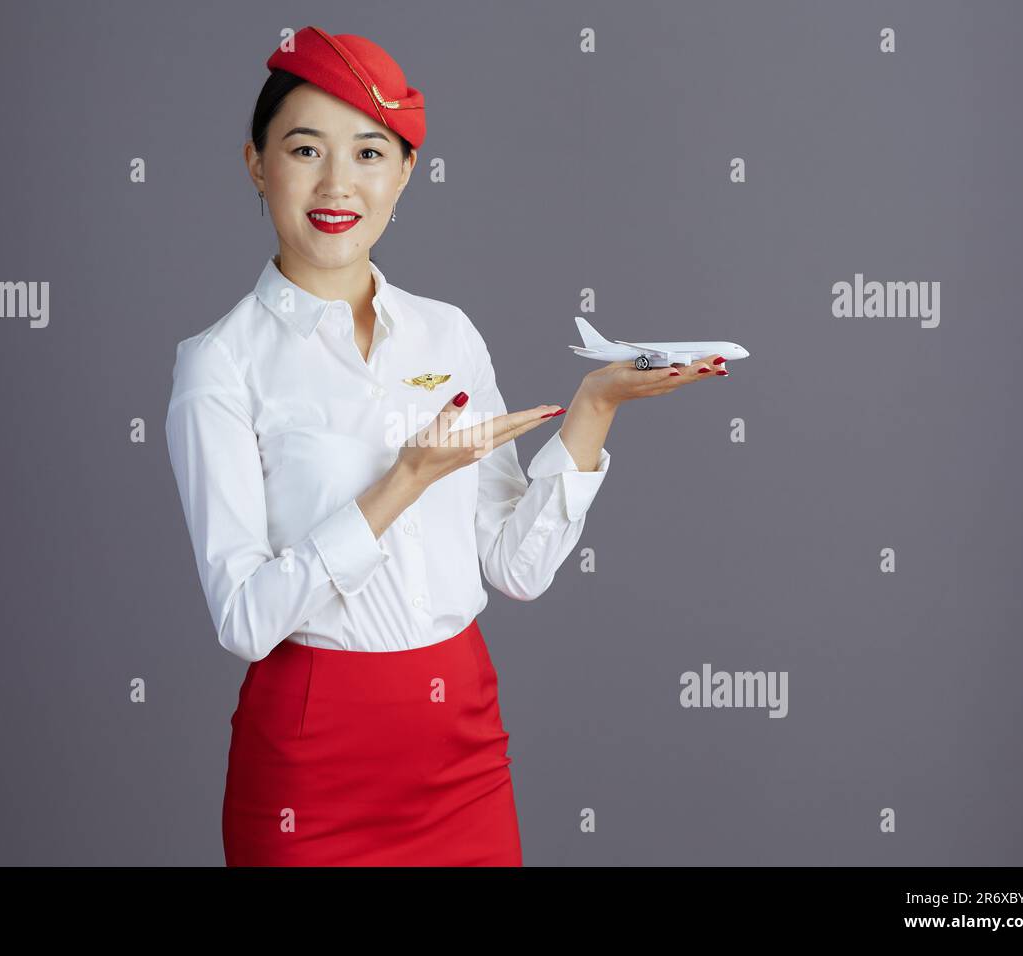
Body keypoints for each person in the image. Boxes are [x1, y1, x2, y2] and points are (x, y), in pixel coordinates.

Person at [164, 25, 730, 867]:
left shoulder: (447, 335)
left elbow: (516, 568)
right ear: (256, 164)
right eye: (306, 149)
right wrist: (404, 480)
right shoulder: (220, 363)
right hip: (312, 766)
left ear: (404, 174)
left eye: (369, 154)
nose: (337, 183)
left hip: (459, 743)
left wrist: (595, 408)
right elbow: (245, 619)